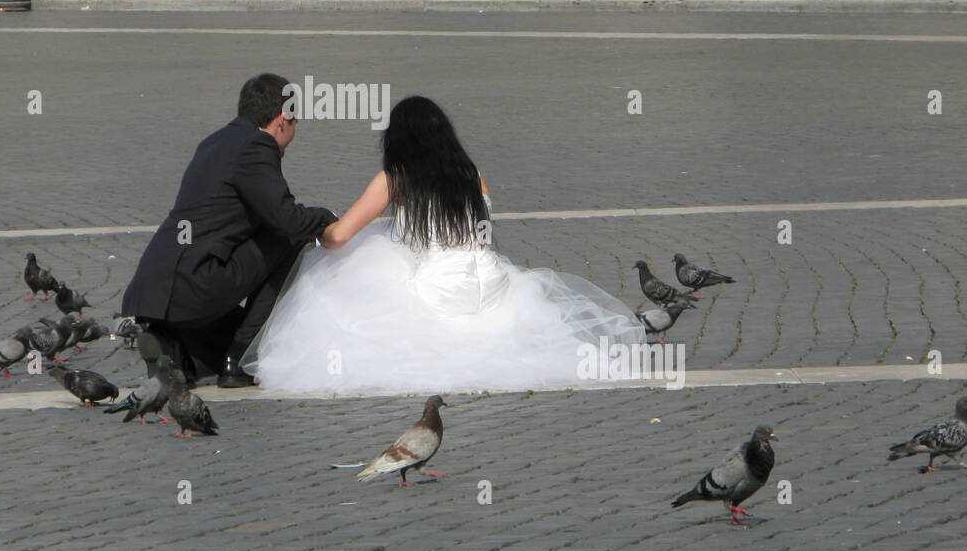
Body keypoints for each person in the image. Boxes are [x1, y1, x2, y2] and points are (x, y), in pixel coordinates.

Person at [242, 96, 646, 393]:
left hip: (436, 289)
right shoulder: (472, 175)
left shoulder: (396, 178)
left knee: (346, 262)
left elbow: (340, 236)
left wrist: (315, 231)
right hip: (491, 285)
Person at [120, 73, 337, 388]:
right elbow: (286, 219)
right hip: (194, 283)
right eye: (295, 124)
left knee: (225, 332)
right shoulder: (257, 146)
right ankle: (238, 359)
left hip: (154, 287)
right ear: (282, 120)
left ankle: (174, 348)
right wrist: (327, 217)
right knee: (290, 237)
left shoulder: (213, 142)